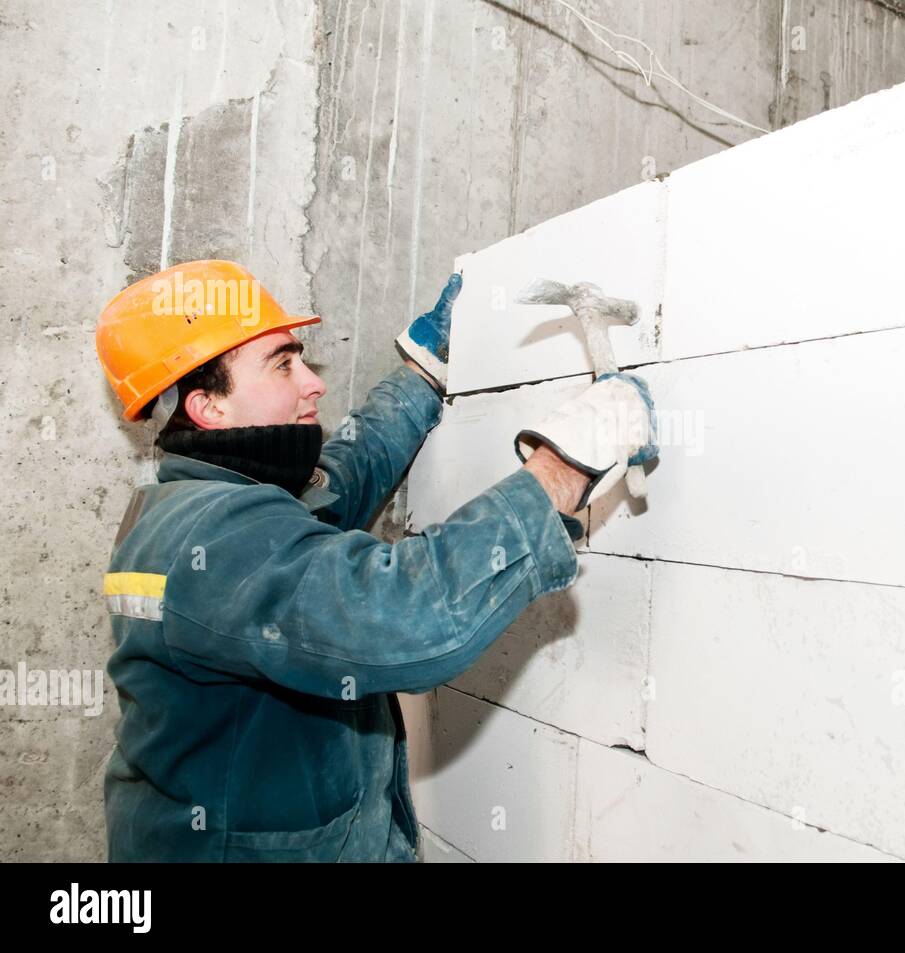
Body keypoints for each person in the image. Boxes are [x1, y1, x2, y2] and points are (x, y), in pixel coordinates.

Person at [94, 259, 657, 861]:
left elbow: (341, 479)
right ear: (209, 408)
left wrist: (421, 372)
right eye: (283, 365)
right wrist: (566, 463)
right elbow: (400, 618)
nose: (314, 383)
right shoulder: (217, 540)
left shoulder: (210, 504)